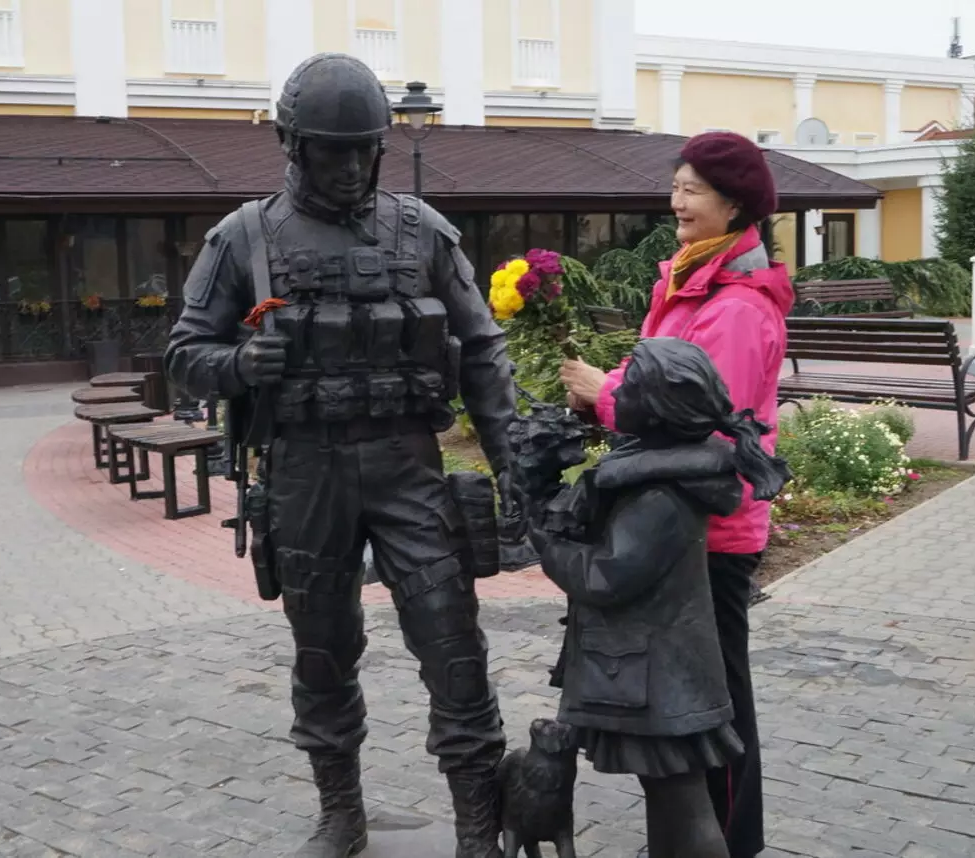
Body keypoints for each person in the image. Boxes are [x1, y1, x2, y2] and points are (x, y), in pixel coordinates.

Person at [165, 53, 522, 858]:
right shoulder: (243, 236)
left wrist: (515, 468)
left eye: (364, 149)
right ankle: (341, 812)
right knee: (323, 650)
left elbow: (484, 350)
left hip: (407, 464)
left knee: (452, 644)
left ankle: (477, 825)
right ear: (292, 143)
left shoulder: (422, 231)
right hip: (305, 471)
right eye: (333, 150)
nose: (351, 166)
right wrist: (237, 366)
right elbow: (184, 352)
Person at [559, 131, 794, 858]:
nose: (677, 200)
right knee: (696, 696)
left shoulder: (738, 306)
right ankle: (704, 836)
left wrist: (606, 398)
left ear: (735, 202)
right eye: (676, 184)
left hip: (711, 535)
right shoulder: (692, 282)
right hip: (677, 524)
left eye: (692, 189)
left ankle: (723, 840)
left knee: (713, 703)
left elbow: (702, 427)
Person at [523, 338, 790, 858]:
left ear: (653, 410)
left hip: (659, 677)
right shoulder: (662, 473)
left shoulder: (660, 497)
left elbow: (605, 577)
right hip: (656, 668)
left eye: (628, 386)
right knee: (667, 795)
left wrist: (545, 540)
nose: (614, 391)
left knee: (682, 800)